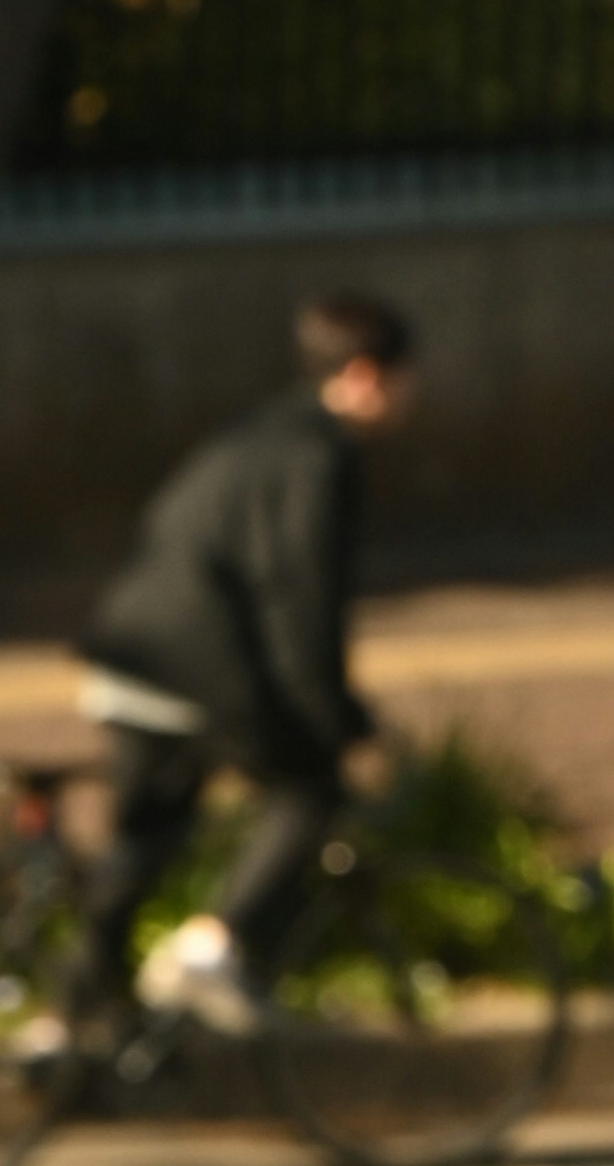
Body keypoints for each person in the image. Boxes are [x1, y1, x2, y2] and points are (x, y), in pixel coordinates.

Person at [69, 292, 416, 1035]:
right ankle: (210, 951)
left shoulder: (258, 433)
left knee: (139, 847)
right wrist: (338, 724)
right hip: (198, 669)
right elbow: (300, 604)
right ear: (365, 376)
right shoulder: (317, 458)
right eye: (403, 379)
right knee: (309, 794)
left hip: (132, 651)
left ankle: (72, 1024)